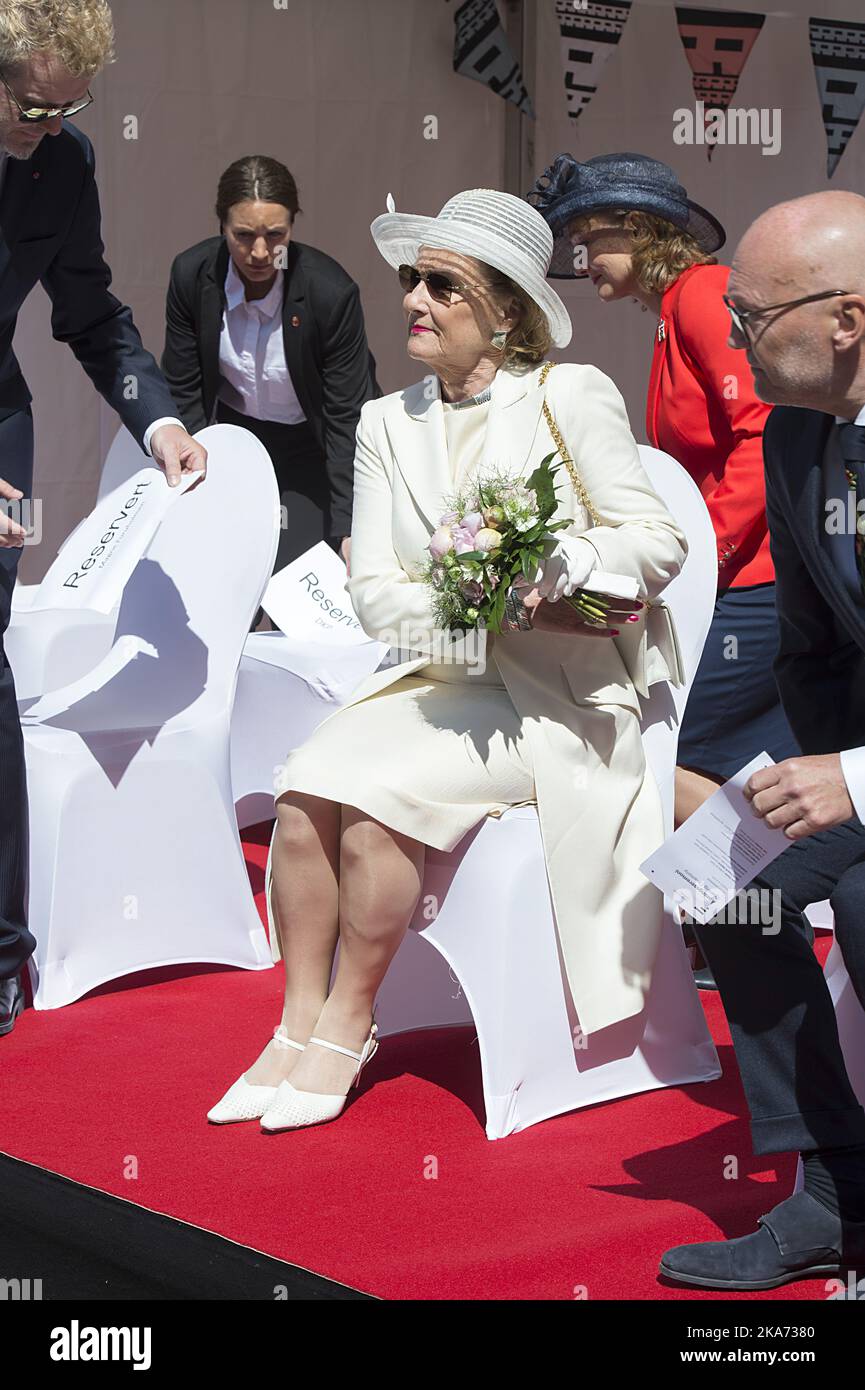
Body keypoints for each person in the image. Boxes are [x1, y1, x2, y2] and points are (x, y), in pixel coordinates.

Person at [206, 187, 688, 1132]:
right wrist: (476, 610)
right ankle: (296, 1020)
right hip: (438, 680)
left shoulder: (566, 393)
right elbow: (376, 595)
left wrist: (562, 567)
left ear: (504, 310)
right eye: (410, 280)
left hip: (560, 696)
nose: (414, 300)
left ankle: (349, 1021)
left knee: (376, 808)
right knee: (304, 791)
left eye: (442, 285)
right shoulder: (388, 420)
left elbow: (655, 540)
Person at [527, 152, 802, 990]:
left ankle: (743, 925)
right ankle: (738, 930)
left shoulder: (700, 294)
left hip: (752, 583)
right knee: (724, 764)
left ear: (640, 232)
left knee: (683, 752)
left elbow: (759, 437)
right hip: (748, 578)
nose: (579, 256)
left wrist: (697, 565)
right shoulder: (674, 308)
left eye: (588, 236)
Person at [658, 191, 865, 1291]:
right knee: (724, 876)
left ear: (846, 319)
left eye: (750, 318)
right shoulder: (798, 435)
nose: (732, 345)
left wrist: (855, 785)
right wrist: (816, 780)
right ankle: (834, 1189)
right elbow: (812, 651)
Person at [0, 0, 206, 1039]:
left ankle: (1, 947)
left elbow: (87, 312)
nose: (47, 120)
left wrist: (159, 416)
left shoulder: (63, 161)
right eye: (27, 102)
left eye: (68, 103)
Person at [162, 154, 380, 579]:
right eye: (243, 235)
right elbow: (183, 390)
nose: (260, 252)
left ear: (293, 226)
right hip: (232, 445)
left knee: (286, 579)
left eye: (275, 234)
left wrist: (351, 528)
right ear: (221, 225)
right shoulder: (192, 275)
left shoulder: (329, 293)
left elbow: (345, 419)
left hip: (310, 450)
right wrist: (185, 489)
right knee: (222, 574)